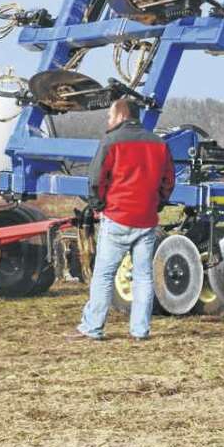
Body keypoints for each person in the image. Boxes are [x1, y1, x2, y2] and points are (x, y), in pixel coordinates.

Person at [75, 97, 174, 341]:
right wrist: (156, 204)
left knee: (104, 275)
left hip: (117, 217)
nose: (108, 121)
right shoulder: (159, 144)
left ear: (121, 115)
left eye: (110, 116)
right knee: (143, 277)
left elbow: (96, 179)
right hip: (146, 220)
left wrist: (98, 205)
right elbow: (168, 181)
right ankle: (140, 330)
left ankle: (93, 328)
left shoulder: (111, 141)